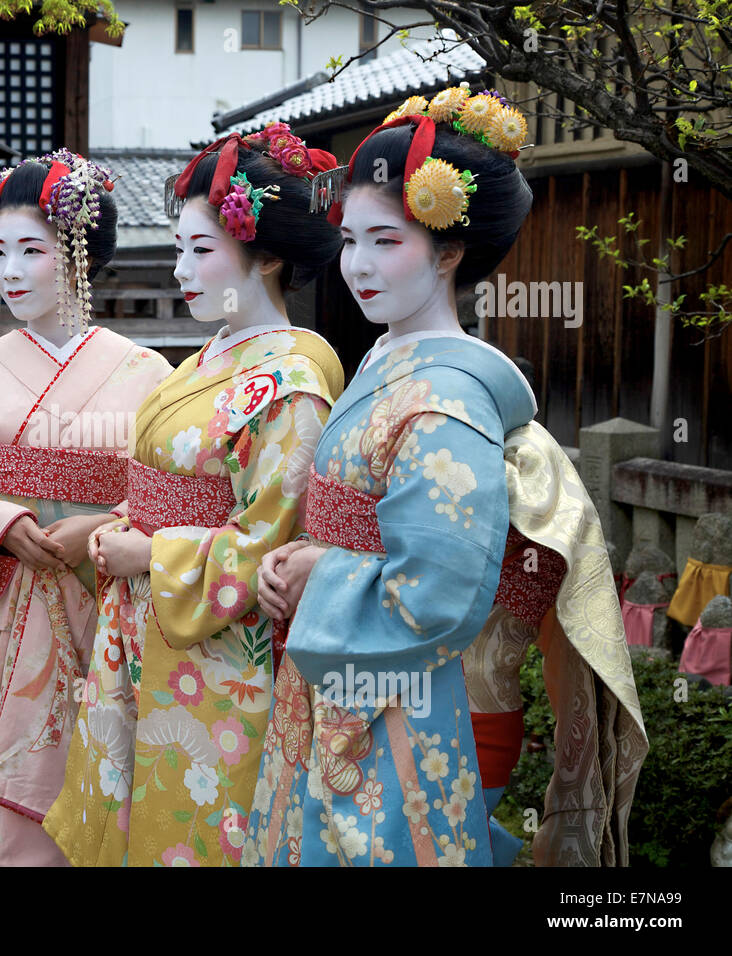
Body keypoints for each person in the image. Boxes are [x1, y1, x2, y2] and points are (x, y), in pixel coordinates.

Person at [245, 87, 646, 867]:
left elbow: (435, 594)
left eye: (386, 241)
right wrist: (289, 563)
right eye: (351, 239)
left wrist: (321, 571)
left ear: (450, 251)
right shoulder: (386, 360)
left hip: (406, 706)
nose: (358, 264)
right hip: (345, 684)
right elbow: (350, 523)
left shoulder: (449, 402)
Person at [43, 125, 346, 866]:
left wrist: (152, 549)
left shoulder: (295, 383)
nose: (182, 269)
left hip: (218, 653)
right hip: (146, 620)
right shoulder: (211, 356)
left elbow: (272, 544)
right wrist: (123, 530)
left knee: (201, 822)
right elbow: (160, 487)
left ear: (267, 255)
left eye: (201, 251)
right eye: (178, 247)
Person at [0, 150, 172, 866]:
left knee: (98, 769)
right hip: (1, 605)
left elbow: (170, 492)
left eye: (32, 249)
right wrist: (1, 524)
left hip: (105, 594)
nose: (11, 271)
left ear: (80, 253)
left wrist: (108, 521)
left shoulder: (148, 375)